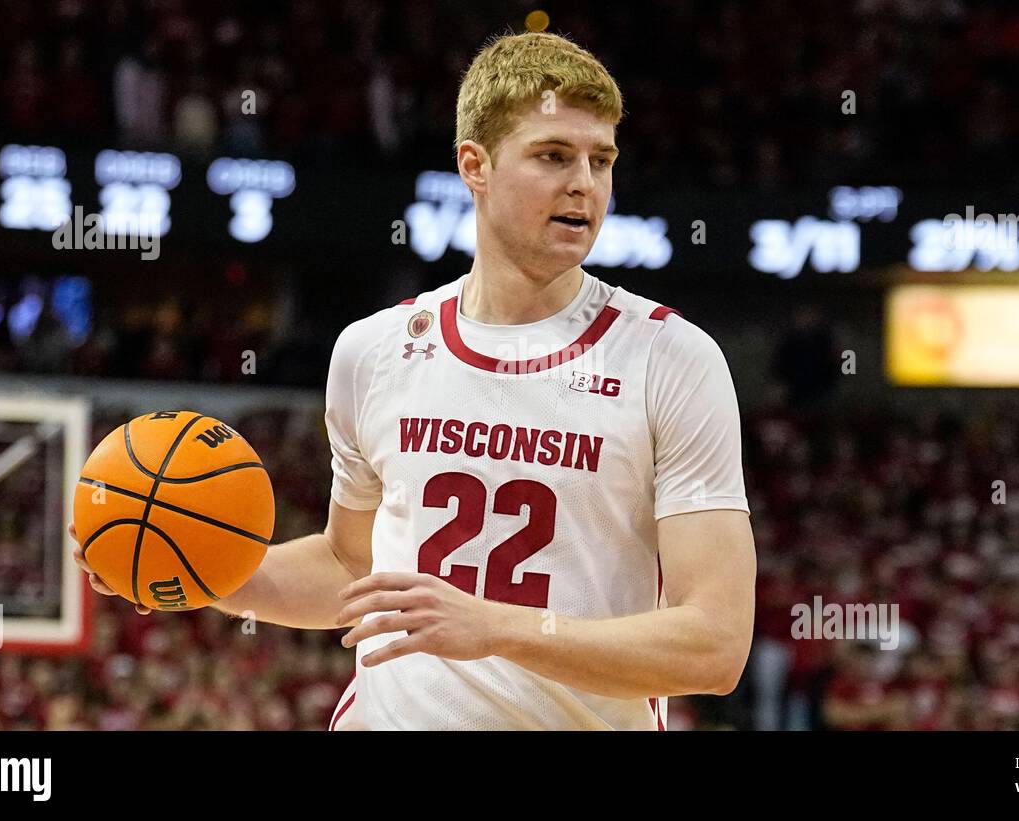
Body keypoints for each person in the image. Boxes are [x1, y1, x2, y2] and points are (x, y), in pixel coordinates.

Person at [73, 31, 755, 730]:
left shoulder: (669, 357)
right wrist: (189, 557)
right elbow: (349, 570)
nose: (585, 182)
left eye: (601, 159)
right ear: (476, 165)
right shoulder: (374, 351)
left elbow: (715, 643)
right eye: (553, 155)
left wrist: (497, 628)